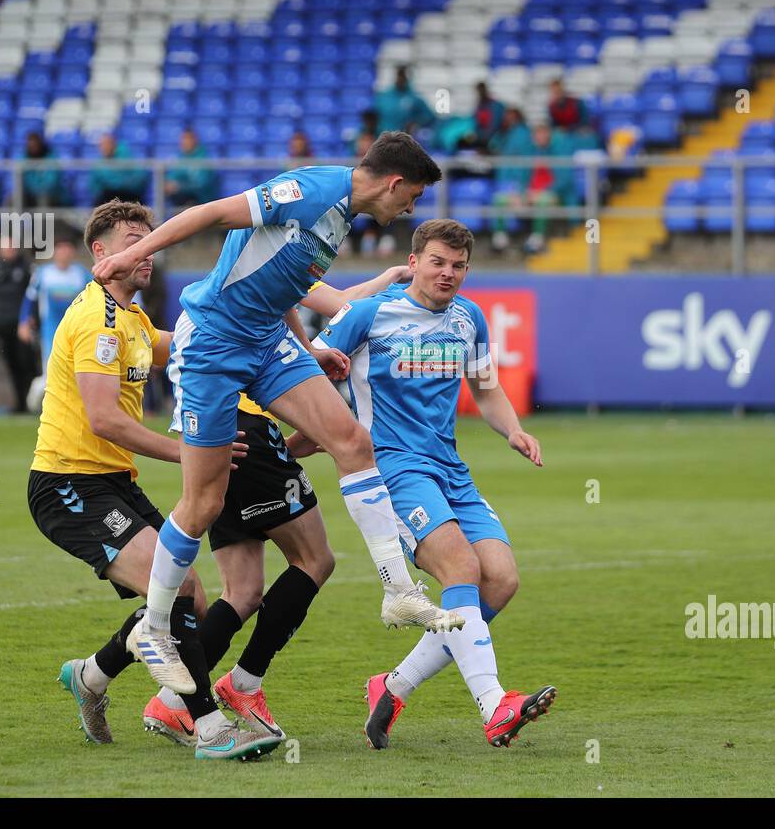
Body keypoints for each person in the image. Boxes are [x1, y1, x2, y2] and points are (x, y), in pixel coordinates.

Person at [90, 132, 461, 694]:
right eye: (411, 200)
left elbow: (283, 284)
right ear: (395, 183)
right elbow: (213, 211)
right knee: (203, 501)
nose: (409, 211)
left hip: (267, 341)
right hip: (214, 342)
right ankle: (157, 627)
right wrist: (133, 253)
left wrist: (308, 348)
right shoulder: (314, 190)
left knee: (352, 440)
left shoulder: (340, 216)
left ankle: (397, 589)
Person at [126, 268, 415, 744]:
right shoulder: (277, 255)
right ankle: (242, 685)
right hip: (249, 426)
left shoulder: (246, 268)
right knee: (315, 559)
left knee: (242, 591)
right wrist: (387, 282)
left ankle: (172, 701)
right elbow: (337, 302)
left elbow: (324, 300)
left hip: (220, 428)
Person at [32, 199, 276, 760]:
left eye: (153, 236)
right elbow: (104, 418)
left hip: (111, 480)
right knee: (182, 593)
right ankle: (209, 728)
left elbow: (198, 352)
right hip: (68, 484)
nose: (149, 247)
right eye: (133, 238)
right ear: (100, 253)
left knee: (183, 591)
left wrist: (293, 353)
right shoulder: (97, 316)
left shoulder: (135, 320)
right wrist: (192, 450)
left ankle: (92, 676)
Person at [299, 218, 555, 747]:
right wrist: (318, 435)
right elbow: (306, 369)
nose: (449, 274)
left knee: (501, 580)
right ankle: (495, 705)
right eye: (438, 262)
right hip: (392, 466)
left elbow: (485, 389)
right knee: (461, 567)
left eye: (459, 266)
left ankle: (393, 687)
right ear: (412, 262)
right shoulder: (370, 312)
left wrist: (513, 430)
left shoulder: (469, 317)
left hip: (449, 468)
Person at [491, 121, 575, 255]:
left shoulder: (558, 153)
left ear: (549, 135)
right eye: (537, 134)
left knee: (543, 200)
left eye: (543, 134)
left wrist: (541, 192)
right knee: (500, 199)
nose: (540, 137)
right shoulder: (528, 154)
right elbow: (522, 179)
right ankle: (500, 238)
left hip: (552, 194)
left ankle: (538, 238)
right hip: (529, 194)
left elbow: (563, 180)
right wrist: (519, 194)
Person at [19, 237, 91, 376]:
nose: (64, 253)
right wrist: (23, 322)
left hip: (76, 329)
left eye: (67, 248)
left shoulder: (82, 273)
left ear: (73, 252)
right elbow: (29, 298)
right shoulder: (42, 273)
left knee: (75, 369)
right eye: (60, 248)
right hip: (50, 329)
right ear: (54, 252)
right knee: (51, 369)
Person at [0, 238, 35, 412]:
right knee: (12, 365)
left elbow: (32, 297)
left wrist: (30, 318)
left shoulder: (25, 269)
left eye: (12, 246)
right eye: (5, 246)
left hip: (22, 326)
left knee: (27, 364)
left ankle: (32, 403)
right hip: (4, 325)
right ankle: (20, 403)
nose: (9, 250)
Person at [88, 133, 149, 205]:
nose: (103, 148)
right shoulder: (99, 163)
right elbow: (93, 186)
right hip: (107, 197)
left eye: (106, 144)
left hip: (130, 196)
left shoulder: (127, 156)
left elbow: (139, 178)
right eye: (101, 145)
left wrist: (116, 184)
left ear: (113, 144)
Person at [165, 129, 217, 210]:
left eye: (187, 139)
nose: (183, 142)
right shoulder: (180, 157)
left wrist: (179, 187)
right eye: (182, 139)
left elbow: (201, 184)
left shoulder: (203, 158)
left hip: (200, 200)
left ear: (194, 140)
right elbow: (172, 176)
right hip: (180, 198)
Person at [374, 66, 435, 135]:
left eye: (403, 76)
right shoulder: (383, 97)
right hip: (384, 138)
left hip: (405, 139)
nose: (401, 79)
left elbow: (430, 117)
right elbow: (373, 118)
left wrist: (416, 123)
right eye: (399, 75)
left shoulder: (415, 98)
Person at [23, 131, 65, 208]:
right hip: (29, 193)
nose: (33, 148)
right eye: (31, 146)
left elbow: (52, 181)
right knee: (12, 199)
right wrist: (32, 190)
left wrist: (39, 190)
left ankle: (42, 220)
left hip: (47, 194)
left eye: (35, 145)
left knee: (43, 199)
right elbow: (22, 180)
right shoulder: (23, 158)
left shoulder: (51, 157)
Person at [471, 81, 505, 151]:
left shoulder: (495, 106)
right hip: (482, 138)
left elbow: (495, 124)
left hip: (493, 139)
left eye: (481, 90)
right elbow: (476, 122)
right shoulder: (479, 106)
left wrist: (486, 137)